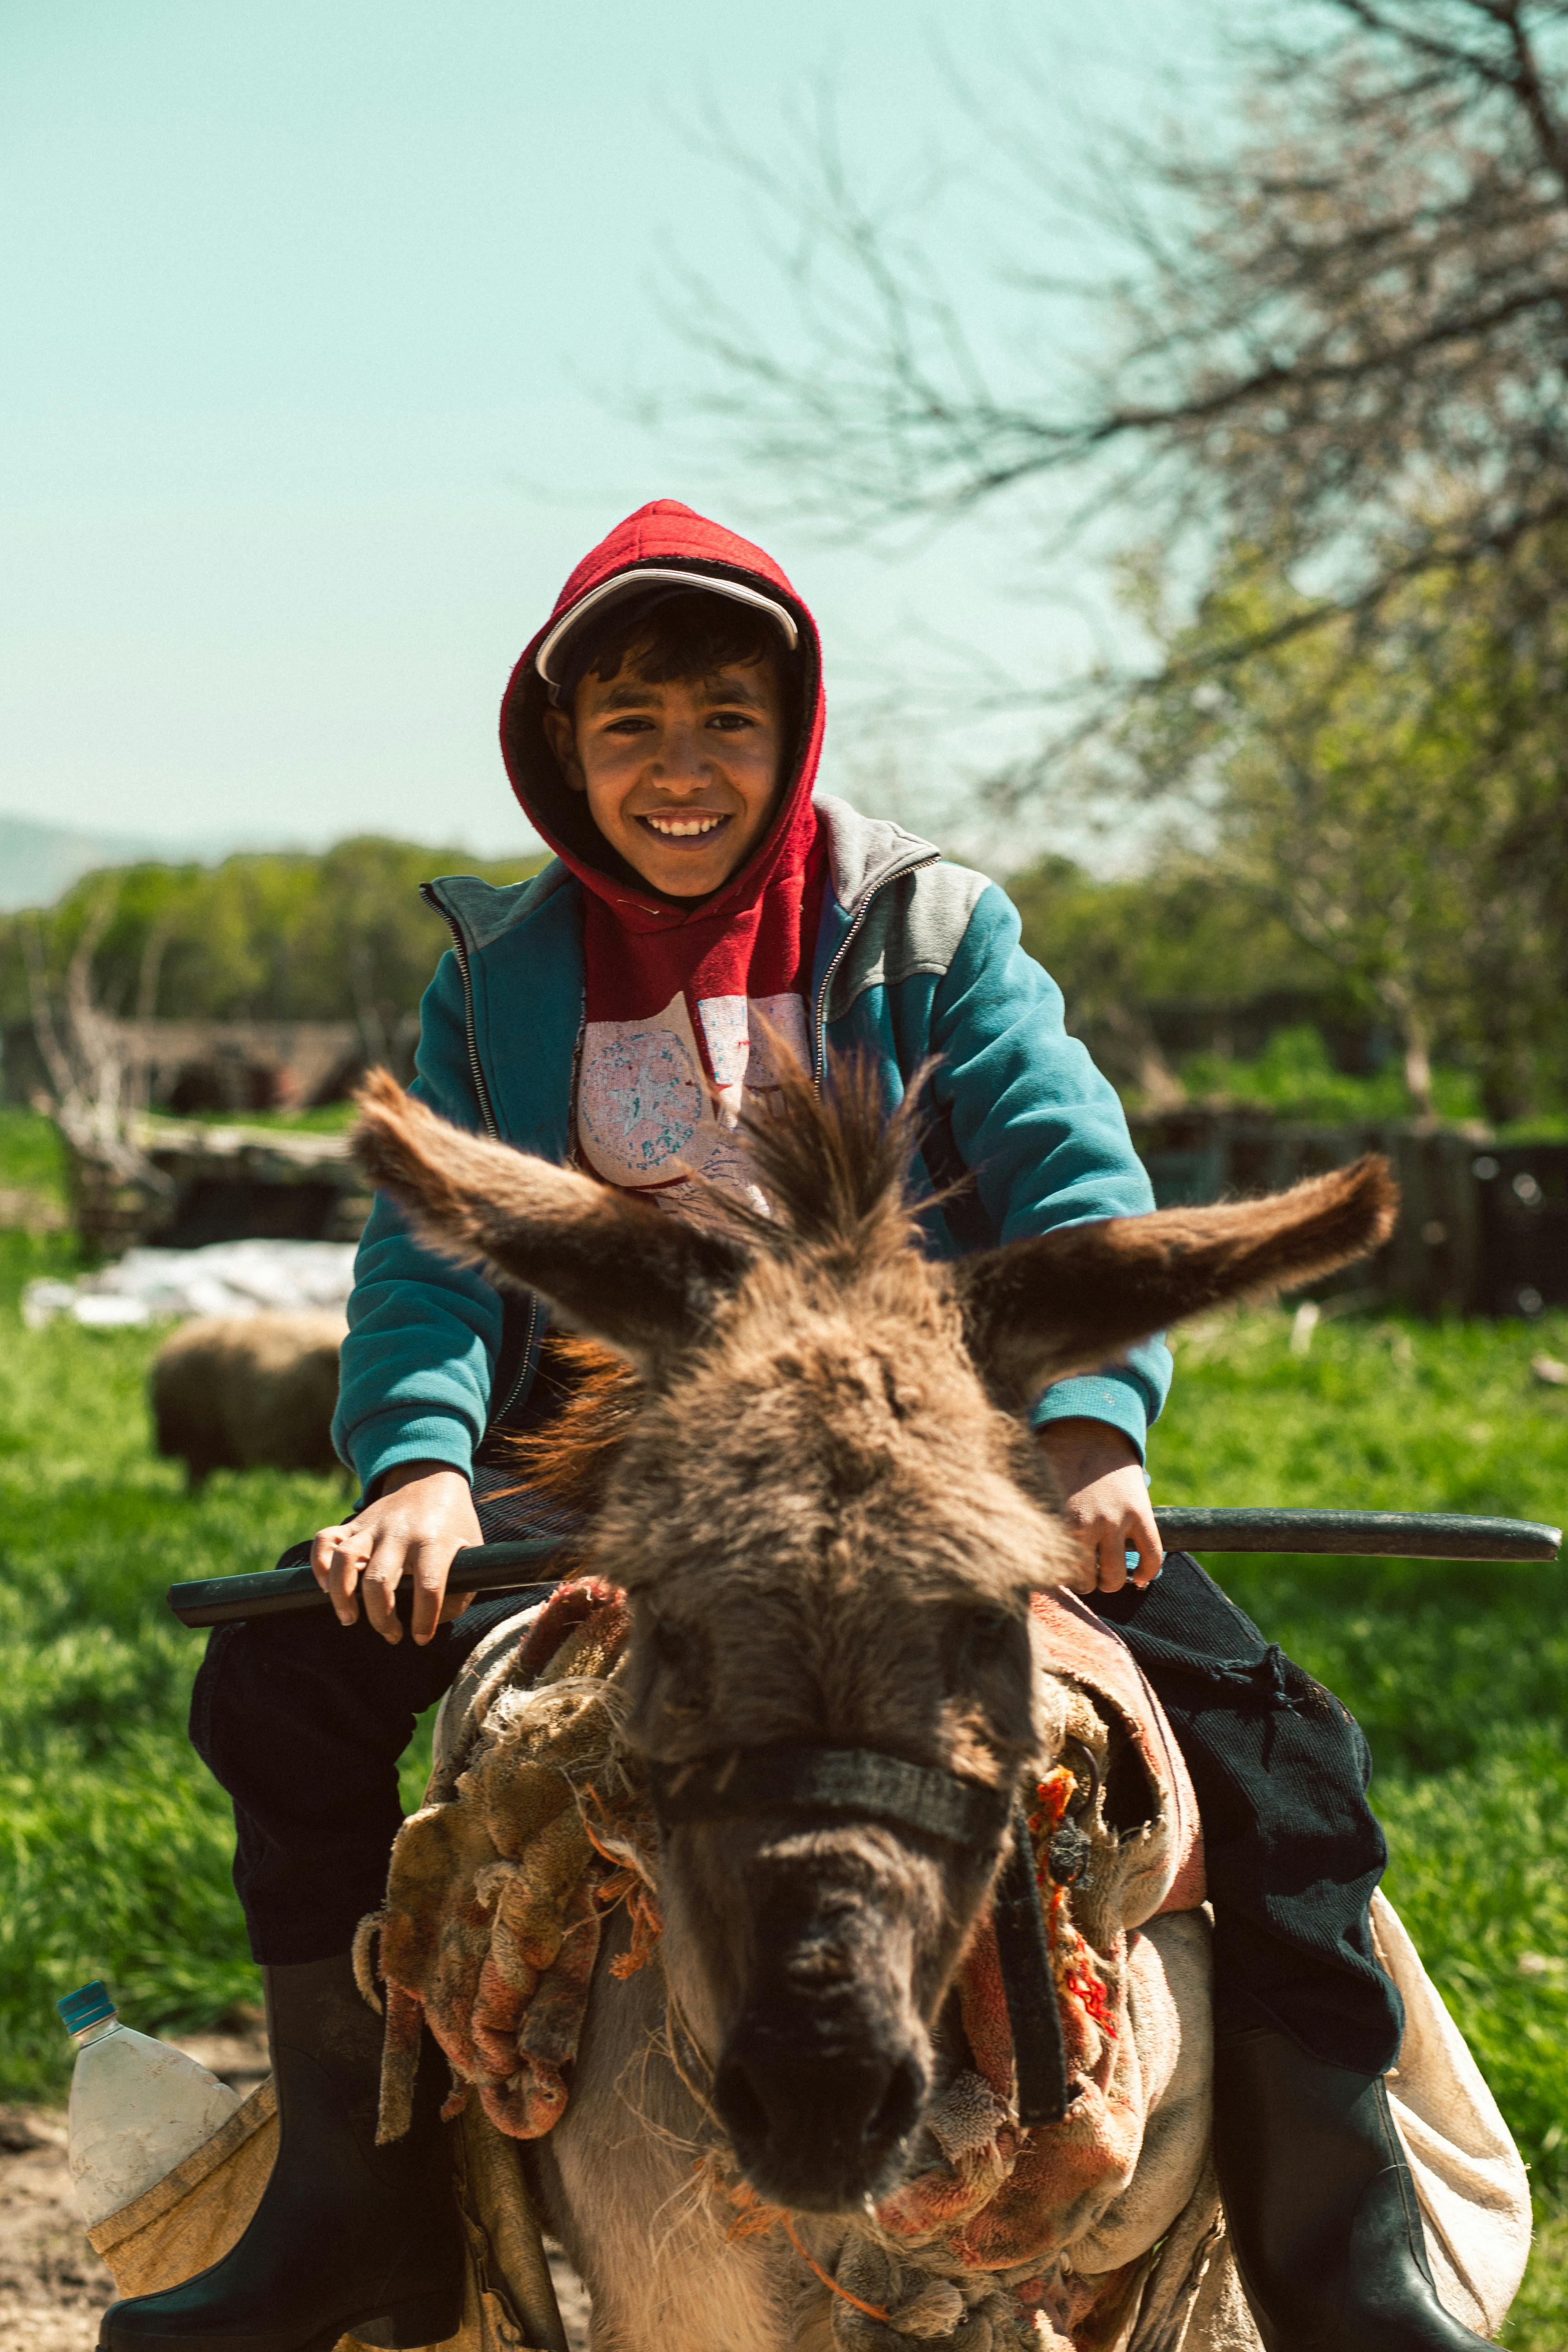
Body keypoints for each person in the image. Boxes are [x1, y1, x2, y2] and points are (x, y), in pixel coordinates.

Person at [102, 503, 1493, 2352]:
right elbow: (430, 1264)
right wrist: (419, 1467)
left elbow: (1072, 1179)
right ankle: (355, 2206)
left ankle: (1333, 2249)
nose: (679, 769)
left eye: (725, 723)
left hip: (928, 1451)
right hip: (618, 1465)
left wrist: (1088, 1426)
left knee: (1279, 1745)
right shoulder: (499, 974)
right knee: (281, 1681)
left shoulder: (927, 926)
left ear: (797, 728)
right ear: (560, 745)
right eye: (632, 726)